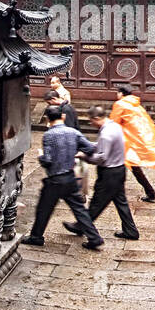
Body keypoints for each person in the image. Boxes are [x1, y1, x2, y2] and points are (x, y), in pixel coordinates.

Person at [21, 105, 104, 251]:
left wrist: (40, 156)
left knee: (44, 209)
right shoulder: (74, 132)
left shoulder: (48, 135)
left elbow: (47, 160)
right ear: (63, 116)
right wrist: (74, 152)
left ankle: (36, 237)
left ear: (47, 118)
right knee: (79, 209)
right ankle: (94, 237)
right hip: (70, 178)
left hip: (54, 180)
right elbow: (90, 149)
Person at [86, 107, 142, 241]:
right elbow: (103, 145)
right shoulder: (115, 126)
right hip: (119, 169)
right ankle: (131, 231)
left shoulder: (106, 133)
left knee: (97, 202)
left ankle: (82, 225)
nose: (91, 124)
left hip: (109, 173)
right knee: (120, 202)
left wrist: (85, 157)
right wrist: (88, 145)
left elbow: (102, 157)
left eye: (91, 121)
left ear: (96, 119)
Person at [107, 85, 155, 202]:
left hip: (125, 141)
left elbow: (114, 123)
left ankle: (149, 193)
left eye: (117, 92)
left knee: (121, 166)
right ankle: (150, 193)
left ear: (121, 93)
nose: (116, 95)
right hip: (134, 140)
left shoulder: (120, 104)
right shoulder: (136, 104)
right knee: (133, 168)